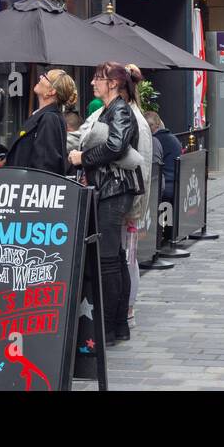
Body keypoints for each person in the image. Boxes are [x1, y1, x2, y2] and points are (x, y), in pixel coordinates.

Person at [68, 62, 143, 342]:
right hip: (112, 189)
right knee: (115, 259)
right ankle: (117, 325)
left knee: (108, 260)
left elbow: (117, 145)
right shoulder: (113, 109)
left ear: (113, 83)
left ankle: (109, 327)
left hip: (114, 191)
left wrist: (83, 158)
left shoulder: (120, 109)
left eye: (98, 78)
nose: (92, 83)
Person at [5, 69, 76, 174]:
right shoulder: (45, 115)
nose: (40, 77)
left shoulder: (50, 118)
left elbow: (44, 165)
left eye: (45, 77)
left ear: (51, 91)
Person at [146, 110, 183, 205]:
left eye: (150, 125)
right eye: (147, 126)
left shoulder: (155, 141)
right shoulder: (172, 138)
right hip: (176, 185)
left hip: (165, 188)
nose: (148, 129)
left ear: (158, 125)